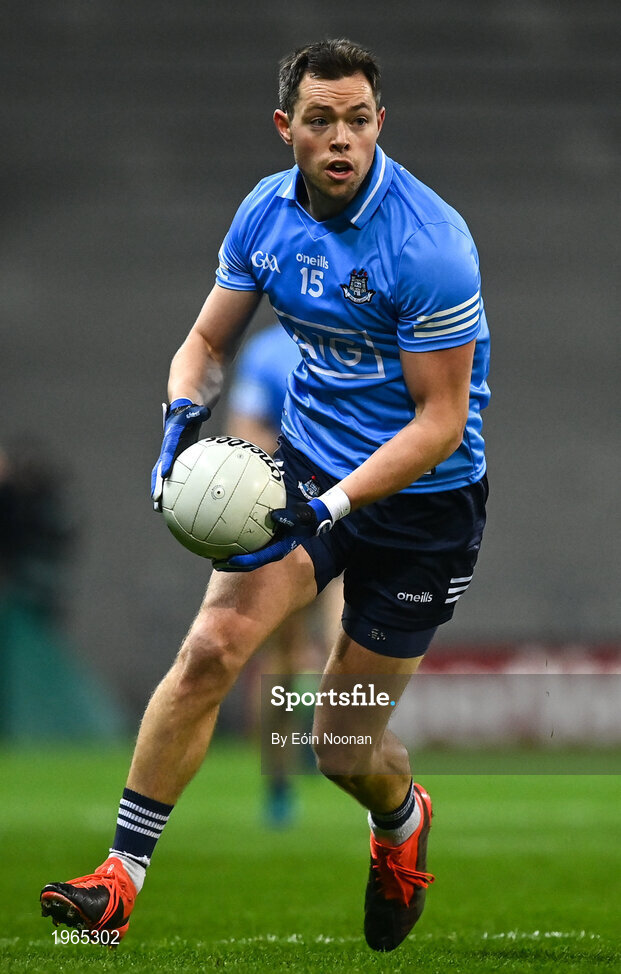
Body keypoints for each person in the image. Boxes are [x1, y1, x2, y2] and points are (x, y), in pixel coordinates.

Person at [40, 38, 490, 953]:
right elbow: (206, 344)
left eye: (357, 120)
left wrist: (330, 510)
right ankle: (118, 880)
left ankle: (401, 820)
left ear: (380, 123)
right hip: (309, 465)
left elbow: (440, 423)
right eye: (320, 120)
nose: (340, 138)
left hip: (423, 504)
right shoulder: (263, 213)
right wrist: (179, 415)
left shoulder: (430, 244)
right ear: (286, 126)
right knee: (211, 646)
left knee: (340, 748)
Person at [227, 322, 340, 825]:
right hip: (287, 520)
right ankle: (278, 782)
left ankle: (333, 741)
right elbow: (244, 431)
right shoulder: (268, 353)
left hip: (346, 512)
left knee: (343, 639)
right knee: (285, 659)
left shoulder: (358, 339)